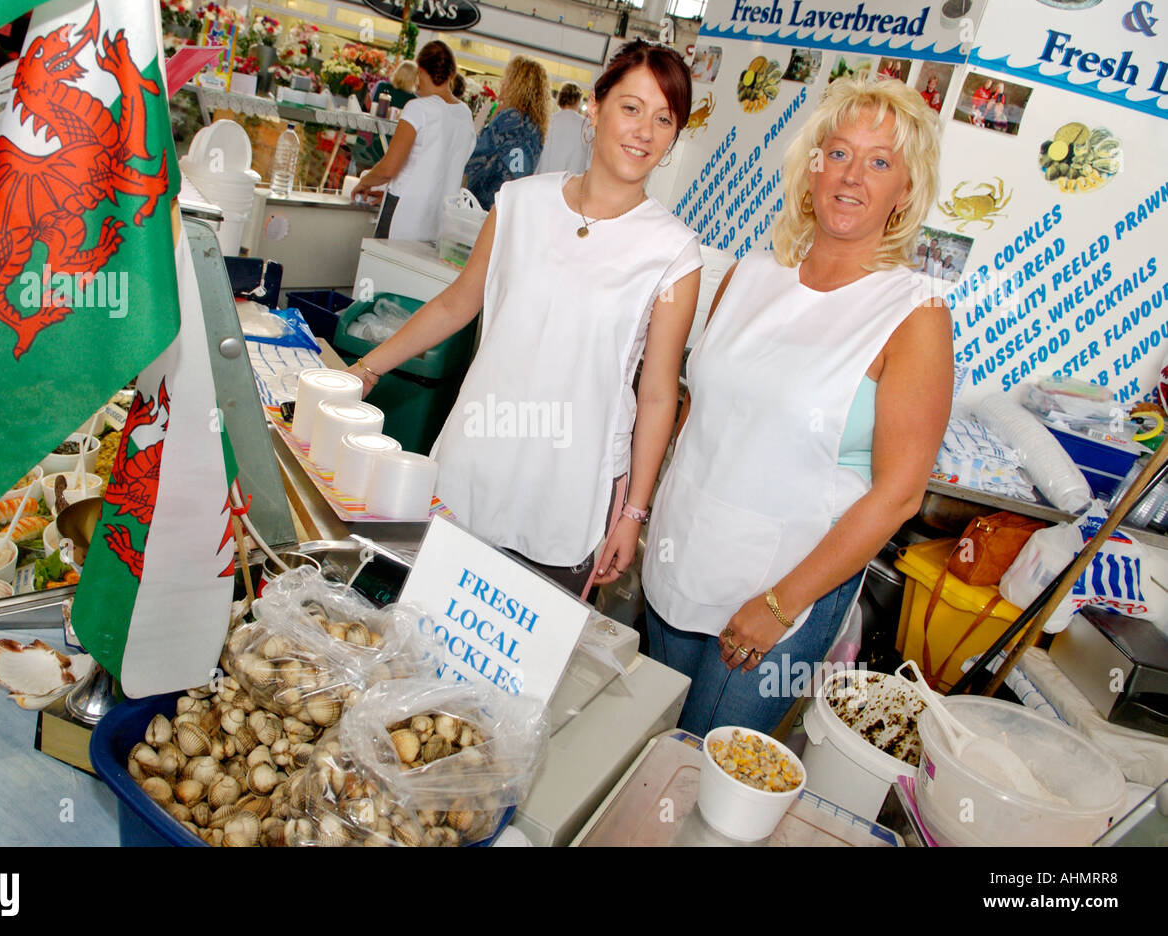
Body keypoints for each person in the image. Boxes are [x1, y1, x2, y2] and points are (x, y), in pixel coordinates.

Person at [641, 75, 953, 736]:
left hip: (781, 594)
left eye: (879, 162)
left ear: (905, 190)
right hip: (679, 558)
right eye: (838, 153)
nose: (851, 177)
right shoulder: (752, 273)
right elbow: (699, 413)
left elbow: (899, 496)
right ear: (811, 167)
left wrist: (779, 606)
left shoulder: (913, 314)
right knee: (648, 740)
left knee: (704, 770)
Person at [348, 40, 702, 599]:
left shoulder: (674, 254)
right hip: (479, 456)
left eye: (664, 119)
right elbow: (455, 303)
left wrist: (635, 511)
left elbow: (659, 394)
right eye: (631, 108)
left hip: (573, 486)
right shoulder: (519, 204)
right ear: (596, 106)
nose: (644, 131)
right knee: (418, 631)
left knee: (518, 669)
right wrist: (366, 369)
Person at [352, 42, 476, 242]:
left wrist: (364, 182)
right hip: (438, 219)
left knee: (380, 270)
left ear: (421, 70)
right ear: (452, 74)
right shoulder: (465, 115)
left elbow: (388, 169)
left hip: (404, 211)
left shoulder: (418, 108)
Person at [463, 56, 550, 210]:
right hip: (508, 205)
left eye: (506, 79)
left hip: (483, 203)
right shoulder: (534, 127)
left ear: (515, 84)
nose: (502, 83)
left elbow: (473, 156)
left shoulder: (509, 118)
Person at [535, 82, 592, 176]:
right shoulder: (587, 125)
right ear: (578, 100)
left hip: (547, 180)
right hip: (573, 183)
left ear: (560, 98)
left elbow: (540, 158)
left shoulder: (549, 121)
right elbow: (589, 161)